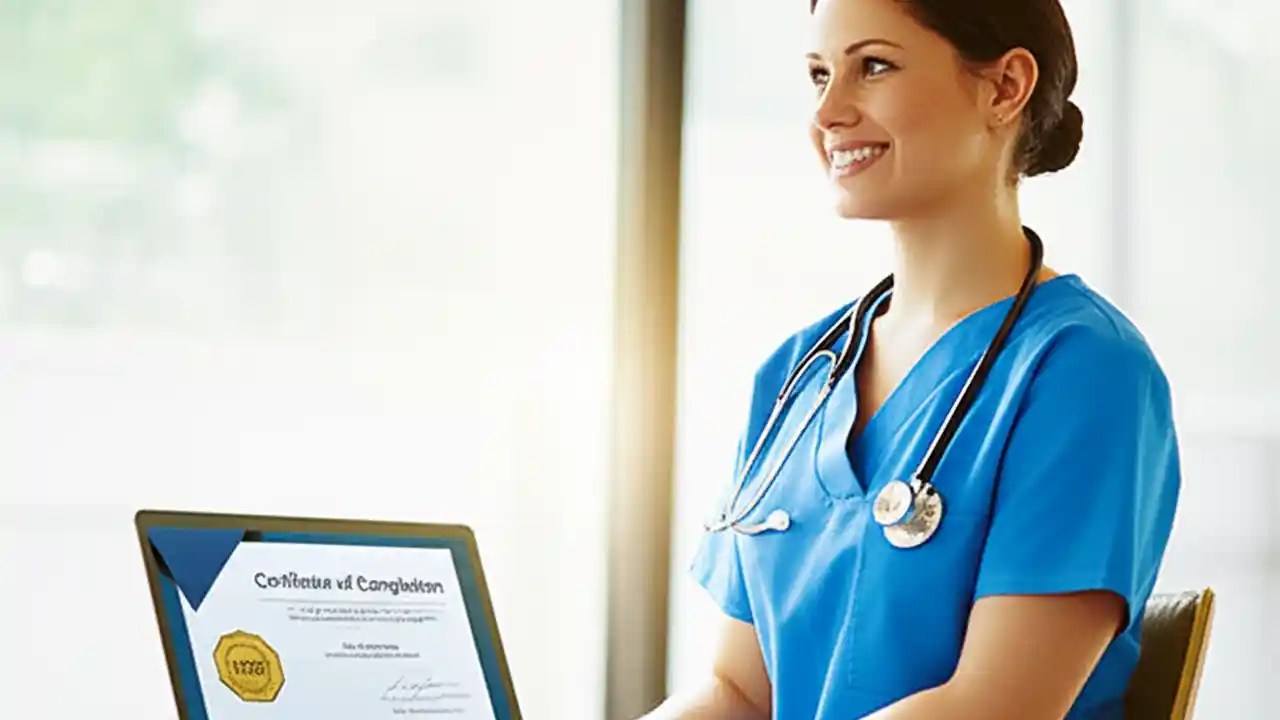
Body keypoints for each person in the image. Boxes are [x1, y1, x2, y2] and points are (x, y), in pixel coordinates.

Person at [641, 0, 1181, 718]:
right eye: (817, 75)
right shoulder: (797, 374)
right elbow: (739, 692)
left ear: (1005, 87)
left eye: (873, 67)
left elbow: (995, 706)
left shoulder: (1083, 373)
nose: (828, 112)